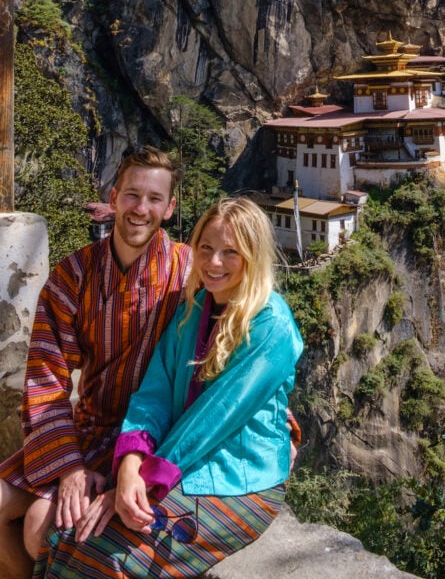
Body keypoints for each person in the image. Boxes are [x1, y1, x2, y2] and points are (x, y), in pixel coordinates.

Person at [34, 197, 303, 579]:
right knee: (66, 538)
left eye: (231, 252)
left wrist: (140, 482)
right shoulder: (194, 309)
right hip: (175, 462)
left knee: (105, 561)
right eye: (206, 248)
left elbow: (211, 422)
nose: (213, 262)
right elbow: (153, 396)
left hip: (237, 478)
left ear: (252, 257)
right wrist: (128, 464)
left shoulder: (269, 325)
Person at [0, 147, 191, 579]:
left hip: (147, 439)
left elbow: (231, 350)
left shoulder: (188, 274)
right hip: (85, 430)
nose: (141, 209)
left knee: (40, 528)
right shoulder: (73, 277)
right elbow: (47, 377)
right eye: (132, 194)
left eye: (155, 198)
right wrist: (68, 468)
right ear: (114, 195)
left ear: (170, 207)